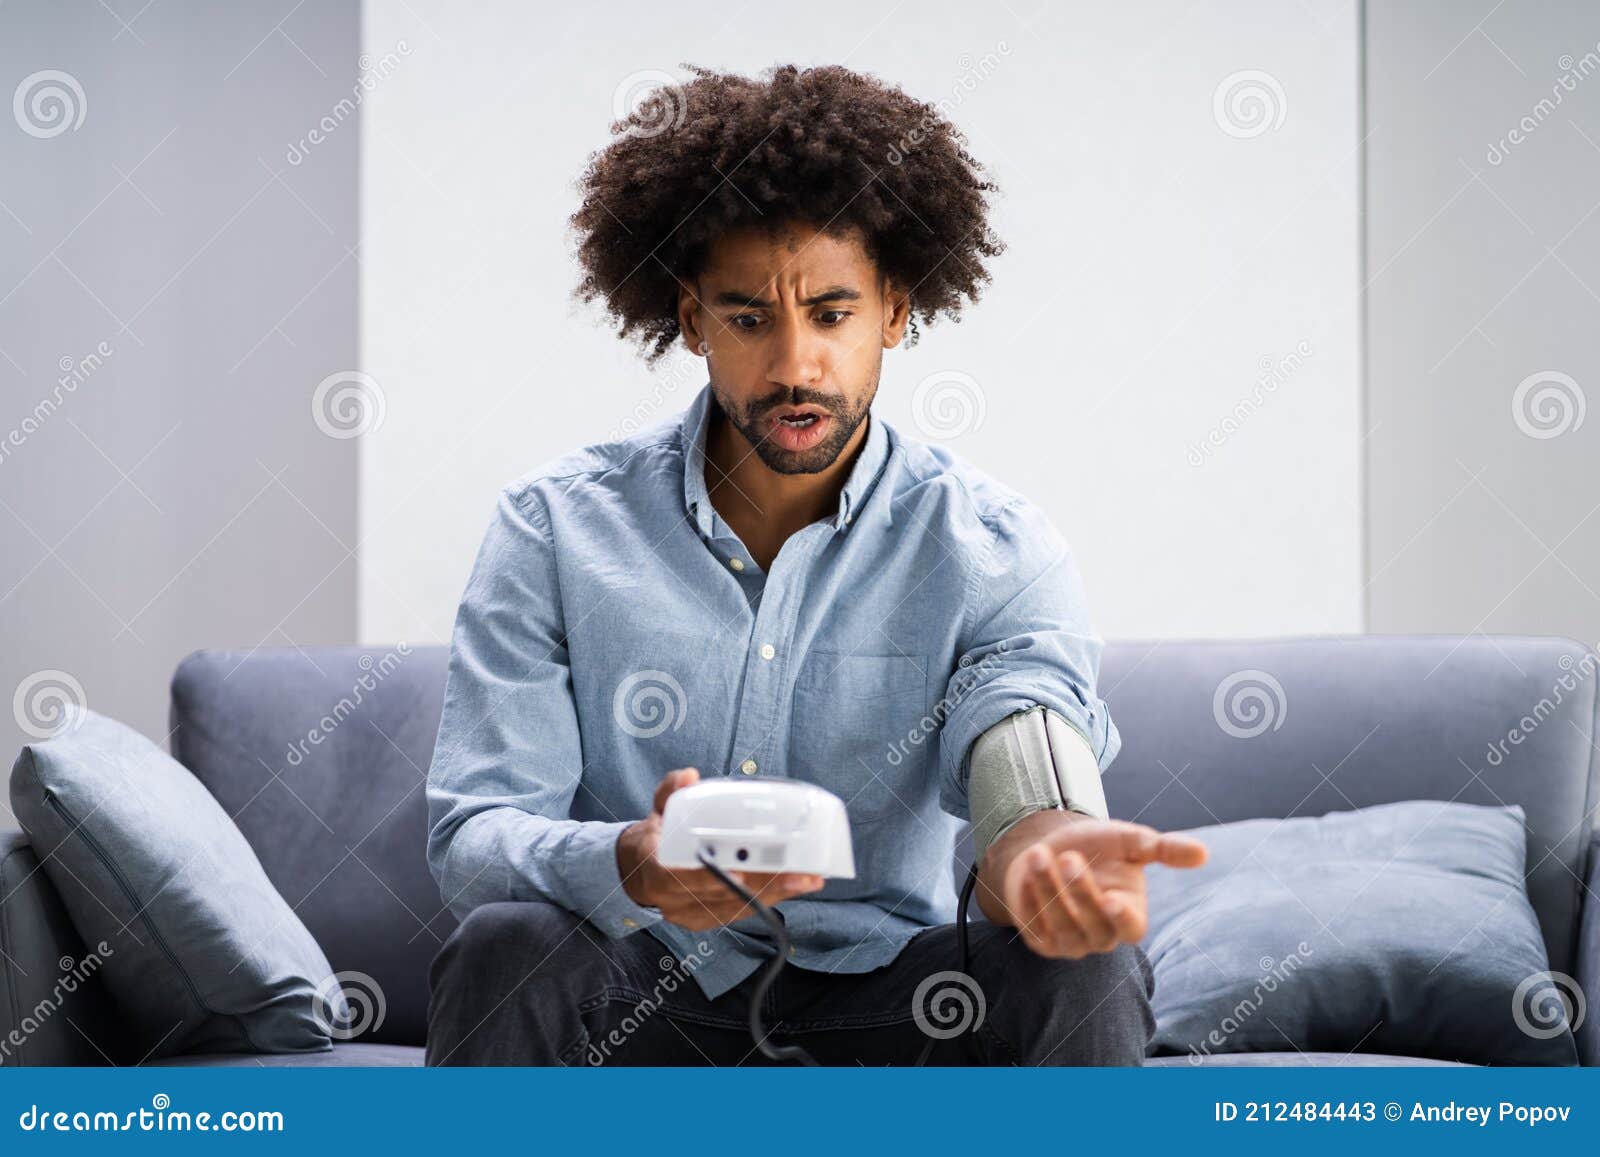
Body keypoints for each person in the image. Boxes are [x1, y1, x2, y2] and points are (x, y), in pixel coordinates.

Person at [424, 62, 1206, 1067]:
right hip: (639, 988)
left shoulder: (992, 546)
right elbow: (473, 841)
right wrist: (627, 863)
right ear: (692, 317)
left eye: (831, 313)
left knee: (1084, 963)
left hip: (892, 1003)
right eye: (749, 317)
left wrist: (1044, 850)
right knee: (510, 942)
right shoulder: (553, 528)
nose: (794, 363)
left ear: (895, 310)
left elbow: (1022, 731)